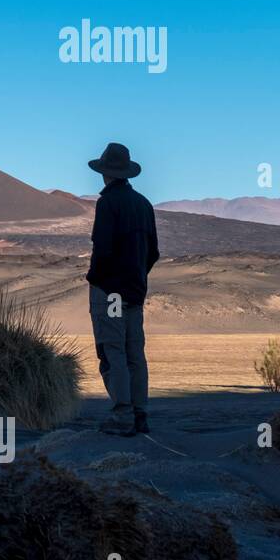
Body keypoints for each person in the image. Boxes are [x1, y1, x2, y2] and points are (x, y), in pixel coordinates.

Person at [85, 142, 159, 436]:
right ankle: (140, 414)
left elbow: (101, 249)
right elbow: (153, 252)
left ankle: (122, 416)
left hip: (110, 292)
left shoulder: (107, 203)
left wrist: (97, 279)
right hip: (135, 290)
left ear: (105, 173)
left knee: (112, 349)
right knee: (134, 353)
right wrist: (137, 277)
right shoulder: (143, 204)